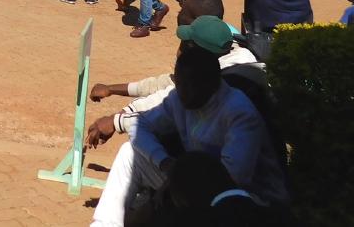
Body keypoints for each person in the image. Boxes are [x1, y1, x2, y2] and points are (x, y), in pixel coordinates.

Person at [90, 45, 289, 227]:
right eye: (180, 84)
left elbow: (230, 180)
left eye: (189, 86)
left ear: (212, 84)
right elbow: (142, 125)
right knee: (129, 152)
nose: (183, 93)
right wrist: (165, 163)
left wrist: (171, 190)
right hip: (193, 183)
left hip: (247, 202)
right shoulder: (180, 98)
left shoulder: (240, 114)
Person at [86, 0, 262, 149]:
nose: (178, 13)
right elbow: (170, 86)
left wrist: (117, 120)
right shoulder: (224, 43)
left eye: (184, 10)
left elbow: (170, 100)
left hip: (227, 174)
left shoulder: (225, 79)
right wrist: (112, 92)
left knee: (146, 140)